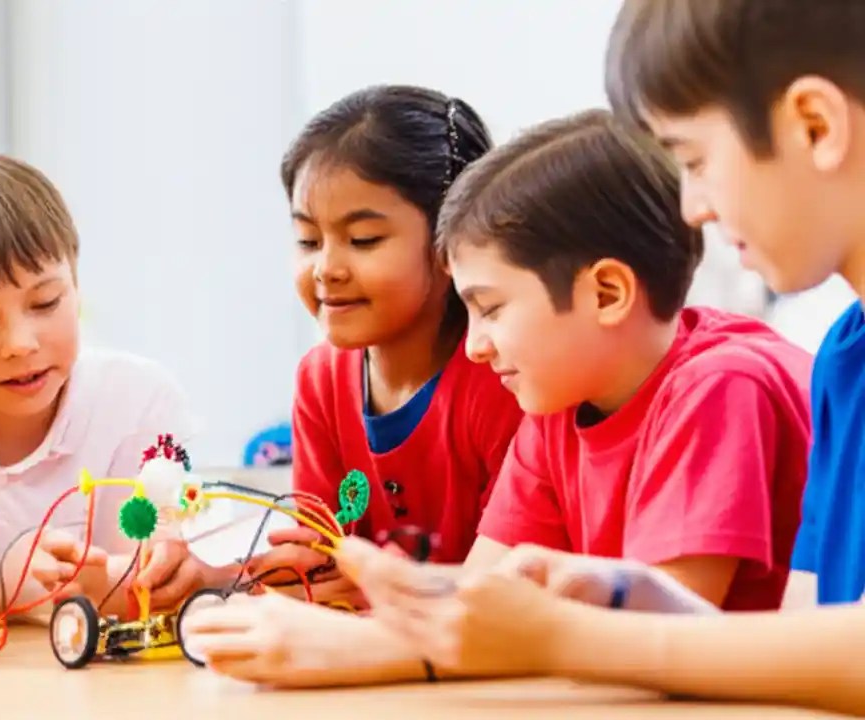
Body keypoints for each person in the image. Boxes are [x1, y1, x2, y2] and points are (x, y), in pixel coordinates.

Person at [328, 2, 865, 716]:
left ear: (814, 127)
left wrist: (558, 636)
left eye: (694, 161)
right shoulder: (842, 361)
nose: (692, 207)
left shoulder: (728, 378)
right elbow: (811, 640)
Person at [183, 107, 812, 688]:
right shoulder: (557, 404)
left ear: (608, 294)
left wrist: (363, 648)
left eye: (490, 309)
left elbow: (656, 631)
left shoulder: (721, 387)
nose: (476, 346)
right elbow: (484, 589)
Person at [0, 154, 200, 627]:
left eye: (46, 302)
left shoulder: (141, 400)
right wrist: (18, 582)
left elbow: (153, 583)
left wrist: (8, 586)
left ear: (76, 285)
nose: (20, 345)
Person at [237, 85, 524, 607]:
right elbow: (316, 555)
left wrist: (372, 590)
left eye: (363, 240)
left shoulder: (503, 380)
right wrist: (222, 576)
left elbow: (511, 586)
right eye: (308, 240)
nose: (326, 268)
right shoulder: (320, 380)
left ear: (449, 242)